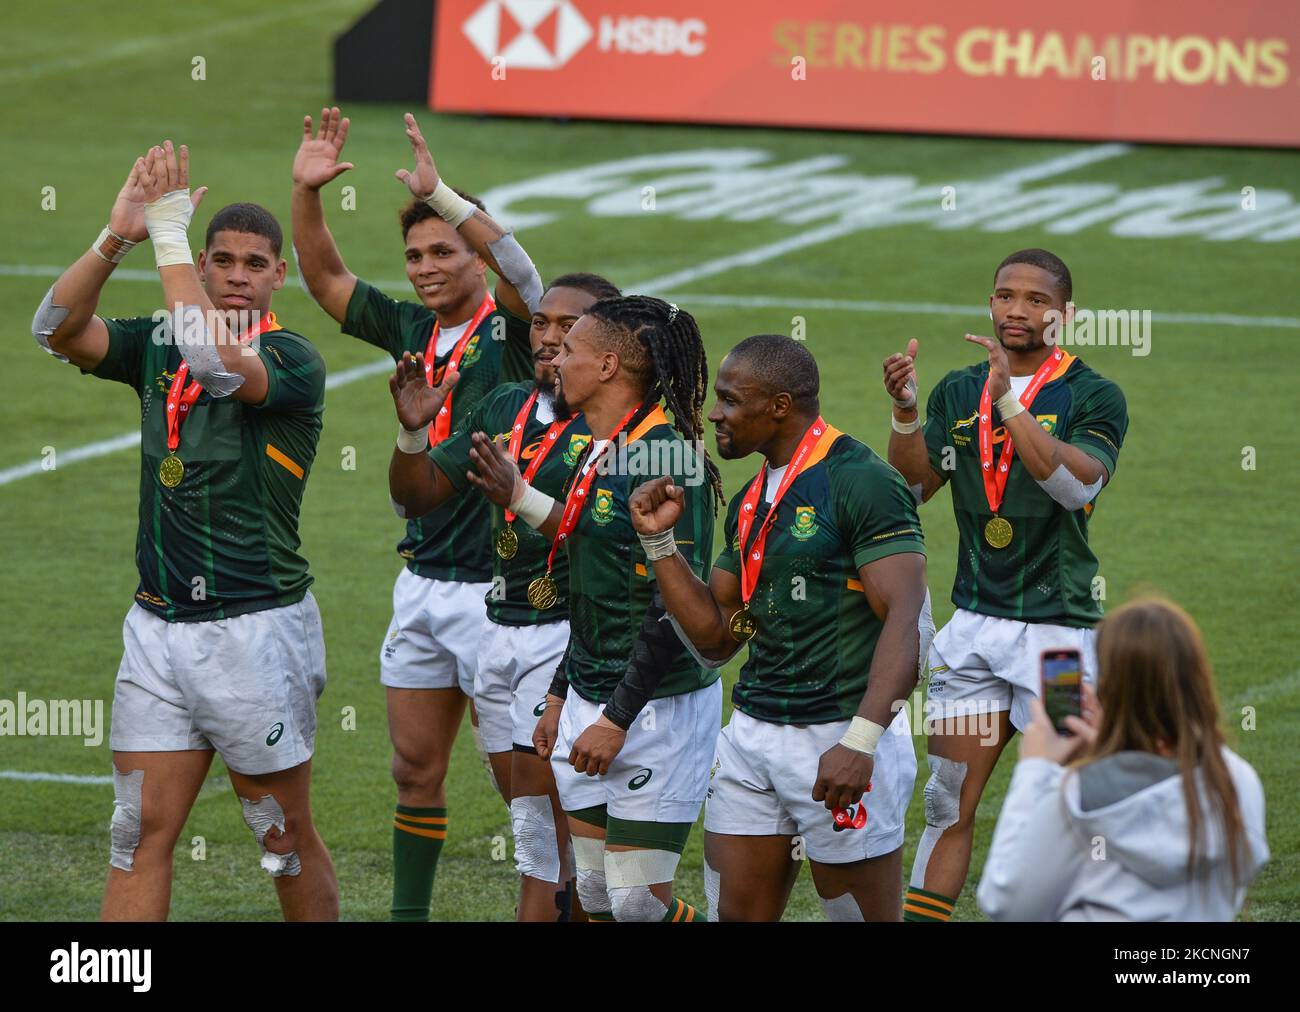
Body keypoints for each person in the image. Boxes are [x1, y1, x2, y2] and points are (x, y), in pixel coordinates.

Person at [33, 142, 336, 920]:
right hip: (157, 626)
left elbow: (215, 365)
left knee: (282, 837)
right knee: (134, 833)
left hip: (253, 628)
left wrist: (168, 229)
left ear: (278, 278)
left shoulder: (291, 358)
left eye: (255, 263)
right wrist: (118, 237)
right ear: (203, 268)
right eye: (223, 260)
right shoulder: (154, 346)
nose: (238, 274)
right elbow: (55, 328)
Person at [292, 108, 540, 920]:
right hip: (424, 582)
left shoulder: (511, 329)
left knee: (523, 791)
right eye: (415, 255)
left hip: (500, 595)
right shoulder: (407, 326)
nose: (427, 267)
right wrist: (306, 193)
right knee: (412, 770)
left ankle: (575, 901)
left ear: (472, 254)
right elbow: (326, 282)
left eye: (444, 251)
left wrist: (446, 197)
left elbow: (523, 272)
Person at [630, 334, 931, 921]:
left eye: (730, 400)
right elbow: (716, 637)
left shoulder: (861, 479)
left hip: (840, 735)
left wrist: (861, 742)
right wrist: (659, 542)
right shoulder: (749, 499)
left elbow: (907, 618)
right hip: (752, 735)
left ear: (779, 405)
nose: (715, 413)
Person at [882, 248, 1128, 922]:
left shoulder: (1094, 395)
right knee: (945, 804)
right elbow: (910, 487)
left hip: (1060, 638)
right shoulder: (957, 391)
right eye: (1005, 295)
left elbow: (1074, 485)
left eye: (1036, 299)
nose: (1017, 309)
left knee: (1070, 809)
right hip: (976, 633)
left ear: (1065, 314)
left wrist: (1010, 402)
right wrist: (906, 412)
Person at [466, 296, 724, 922]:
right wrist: (561, 694)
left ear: (608, 365)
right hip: (588, 693)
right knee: (597, 895)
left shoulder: (665, 458)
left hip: (655, 706)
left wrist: (615, 717)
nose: (555, 357)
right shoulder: (599, 448)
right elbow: (590, 588)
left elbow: (671, 610)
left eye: (573, 349)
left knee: (637, 901)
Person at [388, 272, 621, 920]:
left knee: (563, 851)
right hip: (502, 634)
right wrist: (413, 434)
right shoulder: (506, 407)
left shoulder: (626, 427)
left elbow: (612, 548)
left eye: (568, 328)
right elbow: (417, 494)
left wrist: (521, 495)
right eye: (540, 323)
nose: (548, 337)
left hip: (572, 642)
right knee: (538, 842)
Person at [977, 598, 1269, 921]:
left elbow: (1004, 903)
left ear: (1106, 690)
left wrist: (1036, 769)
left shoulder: (1074, 797)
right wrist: (1107, 753)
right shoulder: (1236, 780)